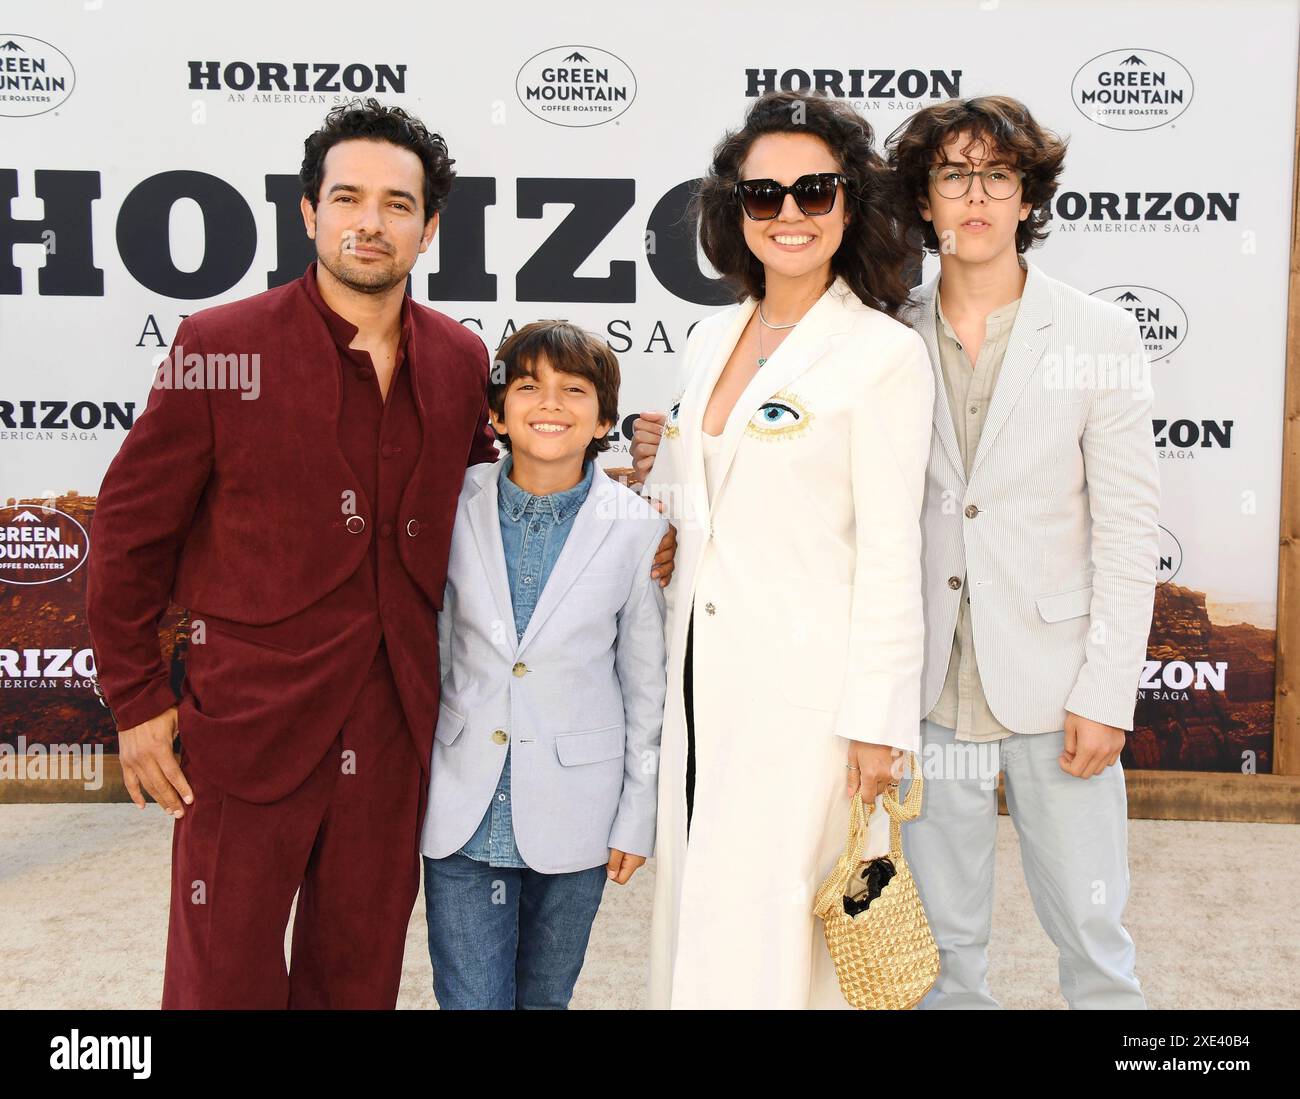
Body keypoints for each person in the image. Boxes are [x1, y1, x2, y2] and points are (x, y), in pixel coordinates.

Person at [83, 98, 674, 1009]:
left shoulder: (455, 358)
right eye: (348, 197)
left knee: (356, 974)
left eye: (397, 204)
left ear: (429, 227)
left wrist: (647, 517)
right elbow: (128, 528)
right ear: (309, 212)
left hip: (399, 727)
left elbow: (511, 494)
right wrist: (134, 699)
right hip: (246, 723)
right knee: (220, 973)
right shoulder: (220, 346)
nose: (371, 221)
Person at [634, 90, 934, 1009]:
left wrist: (879, 722)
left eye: (815, 190)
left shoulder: (882, 354)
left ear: (850, 203)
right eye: (764, 196)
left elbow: (892, 548)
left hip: (811, 701)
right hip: (701, 680)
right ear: (736, 211)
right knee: (707, 907)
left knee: (780, 926)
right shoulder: (707, 336)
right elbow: (704, 507)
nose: (791, 213)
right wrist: (665, 472)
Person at [883, 95, 1160, 1008]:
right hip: (927, 688)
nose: (975, 195)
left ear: (1027, 196)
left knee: (1092, 936)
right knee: (944, 952)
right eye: (953, 174)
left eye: (997, 175)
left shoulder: (1098, 336)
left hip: (1057, 686)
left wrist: (1106, 692)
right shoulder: (882, 337)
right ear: (924, 199)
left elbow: (1126, 532)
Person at [420, 321, 668, 1010]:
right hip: (462, 813)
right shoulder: (451, 503)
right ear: (496, 412)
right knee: (471, 1000)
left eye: (574, 390)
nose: (549, 403)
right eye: (527, 386)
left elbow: (645, 690)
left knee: (545, 999)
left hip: (577, 814)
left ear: (604, 419)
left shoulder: (638, 527)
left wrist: (635, 815)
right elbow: (433, 653)